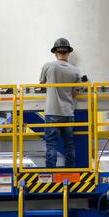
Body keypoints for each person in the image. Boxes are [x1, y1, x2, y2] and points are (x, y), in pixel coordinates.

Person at [39, 38, 82, 169]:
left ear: (55, 52)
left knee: (51, 145)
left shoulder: (48, 66)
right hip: (68, 113)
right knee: (69, 145)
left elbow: (42, 84)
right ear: (68, 53)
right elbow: (75, 93)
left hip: (52, 112)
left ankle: (50, 172)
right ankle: (70, 171)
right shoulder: (75, 71)